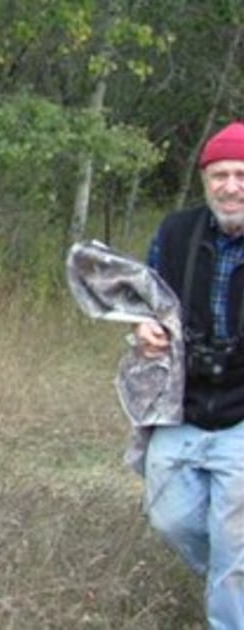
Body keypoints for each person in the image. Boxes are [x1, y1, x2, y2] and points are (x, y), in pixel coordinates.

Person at [135, 120, 244, 628]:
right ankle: (230, 576)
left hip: (242, 416)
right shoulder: (176, 231)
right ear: (205, 180)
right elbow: (145, 299)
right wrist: (144, 328)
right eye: (220, 174)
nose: (230, 186)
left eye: (241, 174)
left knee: (234, 542)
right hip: (182, 404)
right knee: (170, 518)